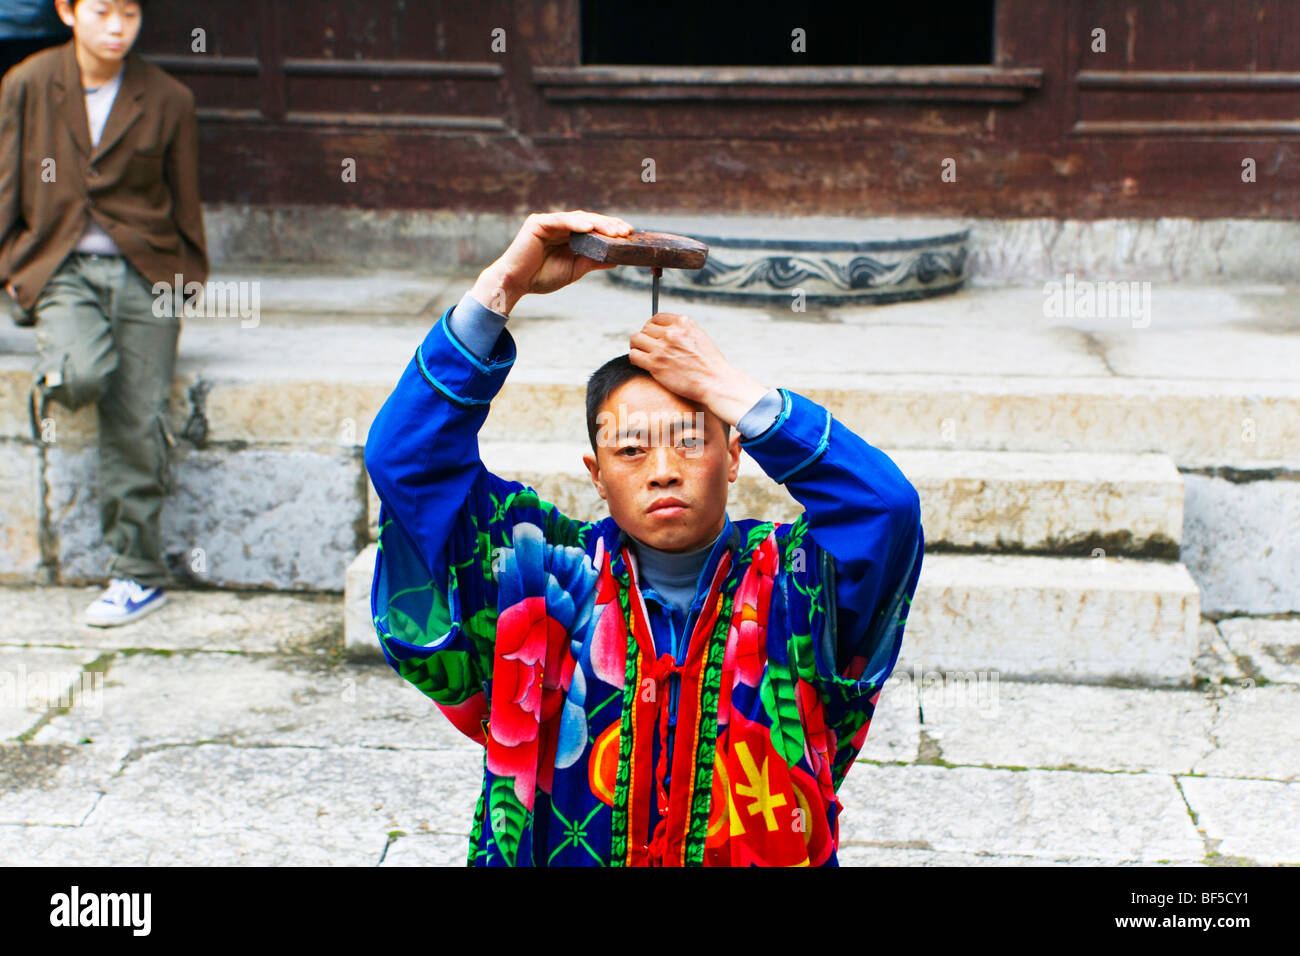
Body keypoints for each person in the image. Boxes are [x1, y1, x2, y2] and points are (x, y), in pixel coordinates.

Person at [364, 210, 924, 867]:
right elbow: (407, 463)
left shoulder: (796, 583)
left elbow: (886, 509)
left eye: (691, 440)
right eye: (631, 449)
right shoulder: (543, 578)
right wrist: (501, 286)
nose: (662, 469)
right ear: (597, 476)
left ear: (736, 454)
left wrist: (728, 387)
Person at [0, 0, 207, 625]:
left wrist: (186, 281)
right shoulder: (27, 83)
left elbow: (185, 198)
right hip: (58, 268)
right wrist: (12, 269)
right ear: (66, 11)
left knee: (139, 417)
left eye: (130, 13)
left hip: (146, 273)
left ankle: (136, 574)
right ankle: (58, 362)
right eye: (101, 12)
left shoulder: (168, 97)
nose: (116, 27)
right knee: (84, 374)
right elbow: (7, 181)